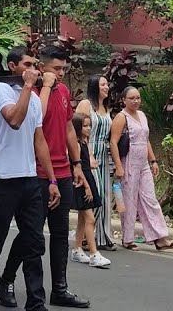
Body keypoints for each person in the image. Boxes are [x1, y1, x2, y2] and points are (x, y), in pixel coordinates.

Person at [0, 46, 92, 309]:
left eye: (64, 69)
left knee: (60, 233)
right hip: (37, 173)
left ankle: (59, 289)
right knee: (31, 234)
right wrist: (47, 86)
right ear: (41, 67)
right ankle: (6, 279)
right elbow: (35, 119)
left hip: (62, 171)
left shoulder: (63, 92)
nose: (61, 74)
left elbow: (69, 129)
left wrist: (77, 164)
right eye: (56, 69)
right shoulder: (31, 92)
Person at [0, 48, 59, 310]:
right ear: (12, 66)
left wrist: (52, 180)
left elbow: (39, 140)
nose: (33, 69)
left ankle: (36, 304)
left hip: (30, 180)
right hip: (5, 180)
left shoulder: (33, 98)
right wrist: (28, 86)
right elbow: (15, 121)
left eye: (34, 65)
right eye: (27, 64)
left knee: (34, 244)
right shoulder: (3, 91)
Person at [109, 85, 172, 257]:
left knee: (150, 199)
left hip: (143, 163)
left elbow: (146, 140)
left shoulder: (142, 115)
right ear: (124, 100)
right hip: (128, 163)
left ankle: (159, 237)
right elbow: (113, 142)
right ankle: (127, 238)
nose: (135, 101)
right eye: (132, 98)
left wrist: (153, 160)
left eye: (138, 98)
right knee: (128, 202)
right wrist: (118, 166)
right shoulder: (121, 117)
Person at [74, 75, 114, 252]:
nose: (106, 87)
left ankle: (102, 236)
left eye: (107, 84)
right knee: (93, 194)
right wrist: (87, 155)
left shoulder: (106, 107)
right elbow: (77, 130)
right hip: (87, 153)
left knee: (104, 196)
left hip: (103, 154)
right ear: (94, 86)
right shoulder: (86, 104)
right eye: (102, 84)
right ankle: (85, 236)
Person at [68, 113, 107, 269]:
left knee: (83, 219)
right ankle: (93, 253)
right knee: (90, 219)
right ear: (77, 128)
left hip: (88, 179)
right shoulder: (77, 145)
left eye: (89, 125)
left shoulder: (85, 143)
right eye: (85, 126)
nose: (89, 128)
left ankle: (77, 249)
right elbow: (77, 168)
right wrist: (87, 186)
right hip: (82, 183)